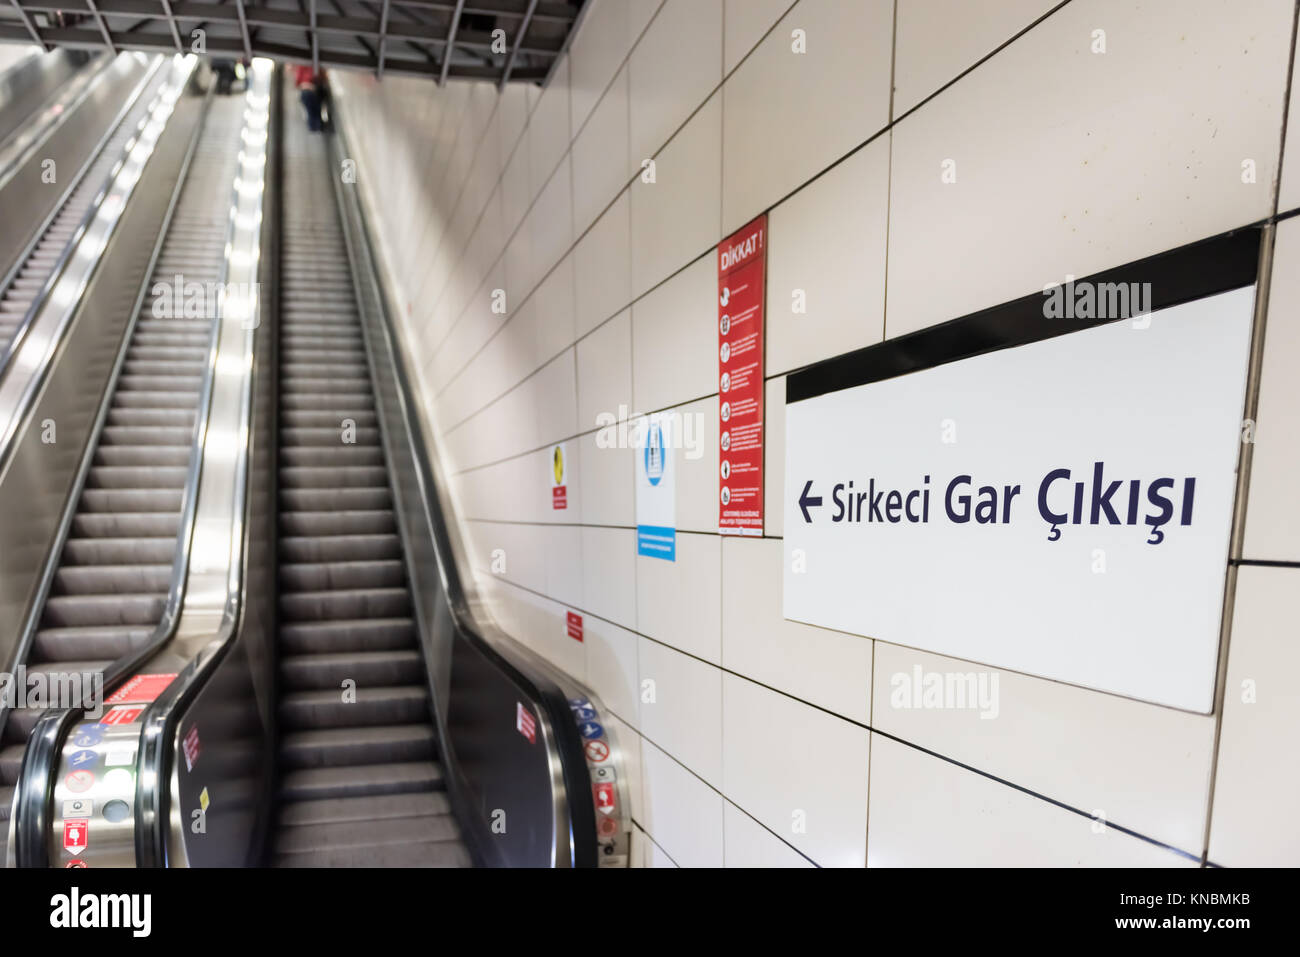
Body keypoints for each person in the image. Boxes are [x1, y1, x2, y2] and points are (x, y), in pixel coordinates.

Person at [294, 64, 324, 132]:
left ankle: (316, 124)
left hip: (315, 90)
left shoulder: (314, 67)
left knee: (314, 106)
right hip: (308, 91)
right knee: (311, 104)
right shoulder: (301, 67)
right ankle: (315, 125)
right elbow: (298, 83)